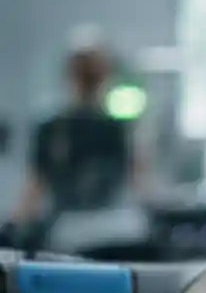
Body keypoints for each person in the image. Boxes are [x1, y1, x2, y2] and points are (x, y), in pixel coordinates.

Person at [7, 44, 147, 246]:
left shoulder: (52, 129)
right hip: (109, 231)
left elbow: (34, 191)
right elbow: (140, 183)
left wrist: (14, 226)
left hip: (71, 233)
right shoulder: (117, 129)